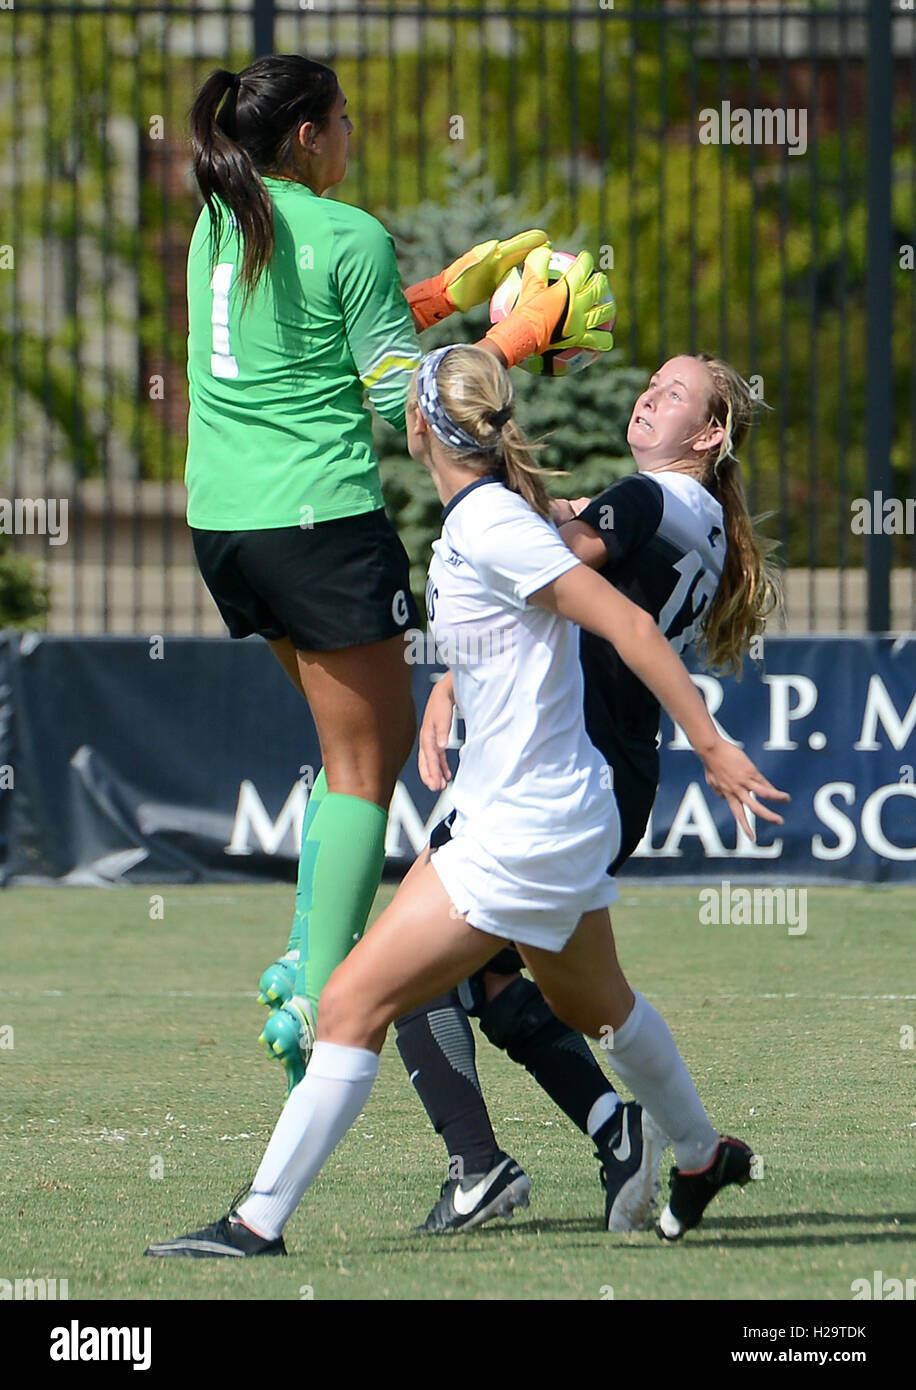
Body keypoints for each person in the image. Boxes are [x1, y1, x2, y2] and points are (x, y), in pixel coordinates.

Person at [145, 344, 788, 1258]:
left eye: (672, 393)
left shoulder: (492, 523)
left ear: (418, 428)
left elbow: (627, 621)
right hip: (565, 809)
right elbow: (535, 616)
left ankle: (259, 1224)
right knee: (601, 1007)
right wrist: (455, 684)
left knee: (352, 1001)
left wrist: (716, 748)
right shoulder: (489, 520)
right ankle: (693, 1153)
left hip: (524, 824)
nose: (649, 398)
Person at [183, 52, 614, 1093]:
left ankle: (307, 955)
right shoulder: (348, 231)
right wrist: (519, 330)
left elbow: (318, 338)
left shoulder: (219, 220)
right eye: (341, 120)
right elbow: (405, 410)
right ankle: (313, 988)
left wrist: (431, 293)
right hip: (320, 523)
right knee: (364, 773)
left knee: (343, 761)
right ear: (306, 138)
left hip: (226, 528)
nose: (351, 135)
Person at [393, 353, 783, 1234]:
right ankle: (654, 1139)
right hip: (612, 770)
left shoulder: (650, 499)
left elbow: (538, 560)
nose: (650, 394)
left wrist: (495, 384)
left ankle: (481, 1167)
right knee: (538, 989)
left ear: (711, 434)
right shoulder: (701, 519)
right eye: (652, 381)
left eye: (674, 393)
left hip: (561, 766)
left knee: (408, 972)